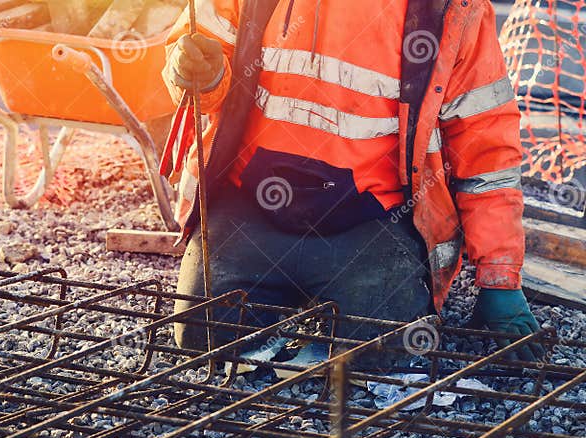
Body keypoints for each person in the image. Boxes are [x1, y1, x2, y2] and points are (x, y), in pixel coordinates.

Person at [161, 0, 543, 362]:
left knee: (383, 351)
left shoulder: (452, 8)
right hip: (250, 209)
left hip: (370, 224)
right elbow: (197, 64)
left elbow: (484, 143)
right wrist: (202, 76)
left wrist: (499, 278)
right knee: (203, 333)